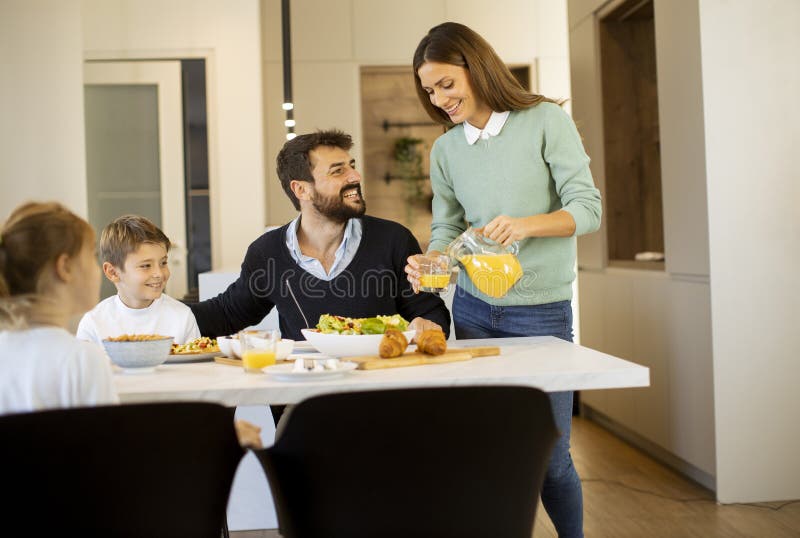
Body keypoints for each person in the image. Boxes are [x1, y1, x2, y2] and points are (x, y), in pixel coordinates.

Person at [405, 22, 602, 538]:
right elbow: (447, 226)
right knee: (490, 448)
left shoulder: (544, 121)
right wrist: (434, 261)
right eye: (429, 90)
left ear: (477, 65)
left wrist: (524, 225)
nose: (439, 98)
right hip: (473, 310)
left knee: (550, 456)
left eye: (447, 83)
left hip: (541, 310)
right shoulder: (446, 150)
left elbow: (588, 208)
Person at [0, 202, 261, 449]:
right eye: (89, 258)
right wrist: (219, 435)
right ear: (65, 268)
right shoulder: (82, 358)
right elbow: (113, 448)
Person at [190, 129, 450, 341]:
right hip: (303, 395)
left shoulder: (393, 239)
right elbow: (227, 314)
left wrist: (427, 325)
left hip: (378, 389)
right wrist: (154, 309)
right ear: (301, 190)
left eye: (351, 166)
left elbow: (429, 311)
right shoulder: (267, 253)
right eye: (338, 171)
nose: (356, 176)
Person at [77, 215, 200, 345]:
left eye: (163, 263)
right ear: (112, 272)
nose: (159, 273)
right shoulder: (93, 323)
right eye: (146, 266)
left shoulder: (182, 317)